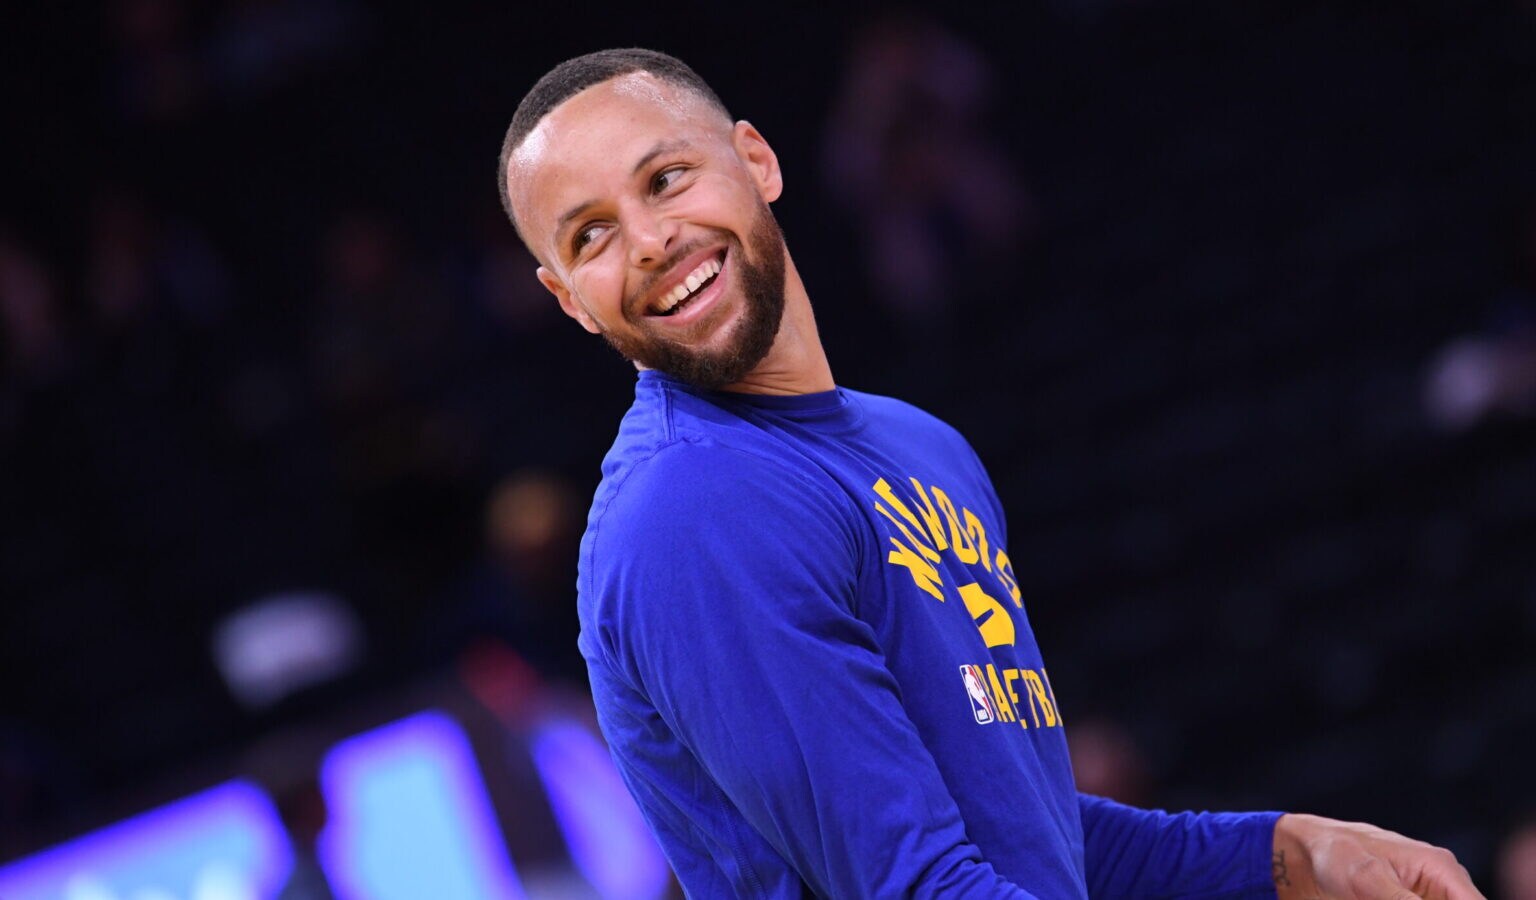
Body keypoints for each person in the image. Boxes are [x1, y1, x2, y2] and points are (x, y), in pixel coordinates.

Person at [496, 47, 1482, 898]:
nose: (653, 241)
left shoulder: (916, 447)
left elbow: (1031, 838)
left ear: (756, 159)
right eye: (591, 234)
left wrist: (1289, 854)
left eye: (666, 179)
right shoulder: (696, 511)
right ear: (568, 299)